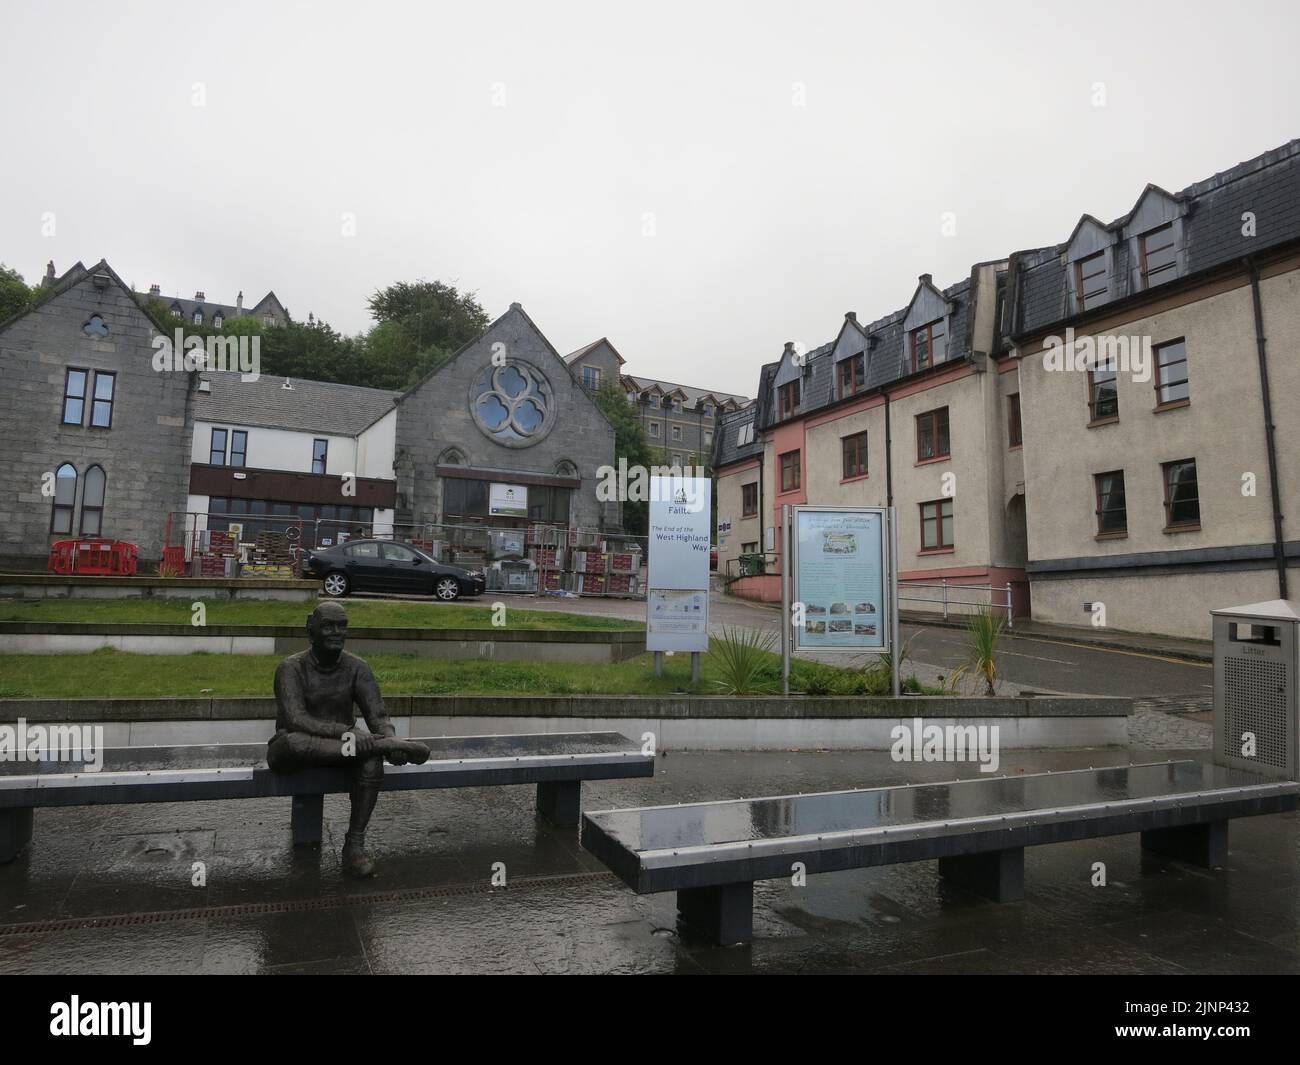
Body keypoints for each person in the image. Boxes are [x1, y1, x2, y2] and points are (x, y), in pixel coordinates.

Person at [268, 601, 430, 877]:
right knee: (296, 741)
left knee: (371, 762)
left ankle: (354, 844)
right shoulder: (291, 668)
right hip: (296, 751)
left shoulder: (358, 668)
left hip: (345, 750)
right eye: (328, 626)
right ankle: (380, 746)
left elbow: (378, 716)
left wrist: (388, 735)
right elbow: (296, 720)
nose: (336, 632)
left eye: (341, 626)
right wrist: (350, 735)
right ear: (311, 630)